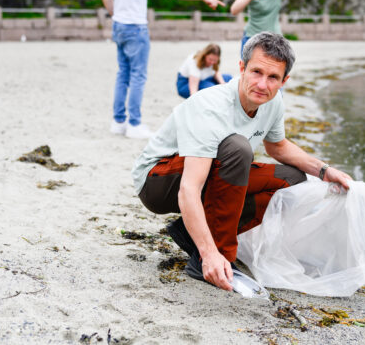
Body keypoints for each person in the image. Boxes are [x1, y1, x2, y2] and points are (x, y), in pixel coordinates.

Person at [131, 32, 353, 291]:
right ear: (242, 68)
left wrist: (324, 171)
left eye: (273, 78)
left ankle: (189, 232)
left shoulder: (273, 102)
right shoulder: (211, 106)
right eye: (257, 72)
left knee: (293, 180)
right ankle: (211, 256)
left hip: (205, 174)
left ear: (284, 81)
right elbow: (189, 189)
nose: (262, 84)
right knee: (237, 148)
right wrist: (211, 254)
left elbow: (278, 147)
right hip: (158, 182)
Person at [102, 0, 225, 139]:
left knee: (123, 74)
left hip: (119, 26)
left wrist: (116, 17)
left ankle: (118, 122)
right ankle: (135, 124)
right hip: (136, 27)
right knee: (138, 75)